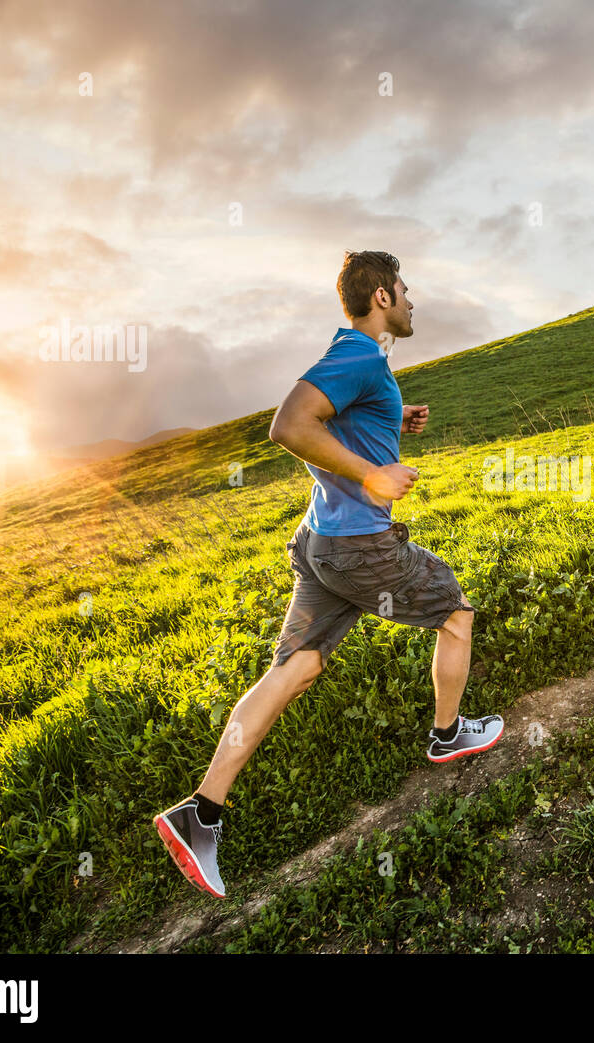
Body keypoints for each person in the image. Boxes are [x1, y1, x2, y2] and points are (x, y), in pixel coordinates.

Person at [154, 250, 503, 898]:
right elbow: (289, 425)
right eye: (403, 288)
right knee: (456, 613)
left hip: (320, 541)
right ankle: (447, 736)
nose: (410, 298)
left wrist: (391, 422)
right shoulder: (361, 354)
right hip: (358, 549)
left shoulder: (359, 358)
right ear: (379, 296)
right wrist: (371, 474)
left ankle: (200, 811)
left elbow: (329, 420)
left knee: (297, 667)